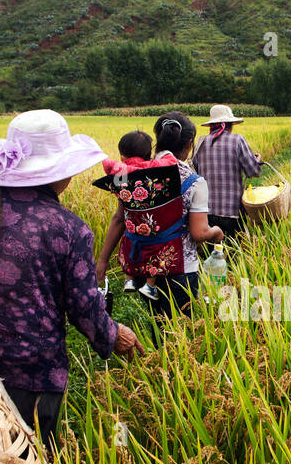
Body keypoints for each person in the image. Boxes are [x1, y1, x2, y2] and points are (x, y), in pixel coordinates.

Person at [0, 109, 144, 448]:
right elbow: (84, 307)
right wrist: (115, 335)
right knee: (26, 460)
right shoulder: (68, 228)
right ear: (59, 172)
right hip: (28, 374)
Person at [96, 111, 223, 320]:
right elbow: (199, 233)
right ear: (189, 143)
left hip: (141, 263)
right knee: (180, 331)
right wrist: (217, 233)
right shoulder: (195, 181)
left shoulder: (134, 173)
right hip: (180, 268)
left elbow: (120, 219)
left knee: (157, 323)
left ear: (158, 138)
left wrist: (102, 261)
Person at [100, 129, 179, 302]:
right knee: (157, 258)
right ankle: (150, 286)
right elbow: (171, 161)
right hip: (156, 231)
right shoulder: (155, 169)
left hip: (133, 231)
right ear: (148, 154)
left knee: (129, 244)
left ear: (122, 155)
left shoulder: (120, 172)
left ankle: (129, 280)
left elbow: (107, 164)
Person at [191, 104, 262, 244]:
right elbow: (253, 171)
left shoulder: (200, 143)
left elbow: (196, 173)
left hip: (206, 213)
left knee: (211, 254)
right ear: (229, 124)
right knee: (233, 254)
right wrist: (257, 160)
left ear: (212, 125)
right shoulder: (237, 140)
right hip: (232, 211)